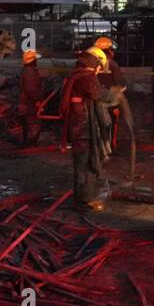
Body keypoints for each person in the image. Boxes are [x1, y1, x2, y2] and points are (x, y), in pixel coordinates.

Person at [60, 47, 118, 212]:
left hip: (79, 127)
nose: (99, 70)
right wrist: (115, 94)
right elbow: (97, 94)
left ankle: (84, 197)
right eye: (99, 66)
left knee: (84, 163)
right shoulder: (86, 77)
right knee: (86, 164)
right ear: (95, 62)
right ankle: (85, 200)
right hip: (83, 129)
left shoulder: (76, 74)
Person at [17, 50, 45, 147]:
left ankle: (27, 143)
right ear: (32, 61)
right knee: (33, 123)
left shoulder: (26, 71)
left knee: (28, 124)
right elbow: (31, 89)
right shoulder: (30, 72)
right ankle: (30, 143)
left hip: (25, 103)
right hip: (29, 104)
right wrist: (37, 101)